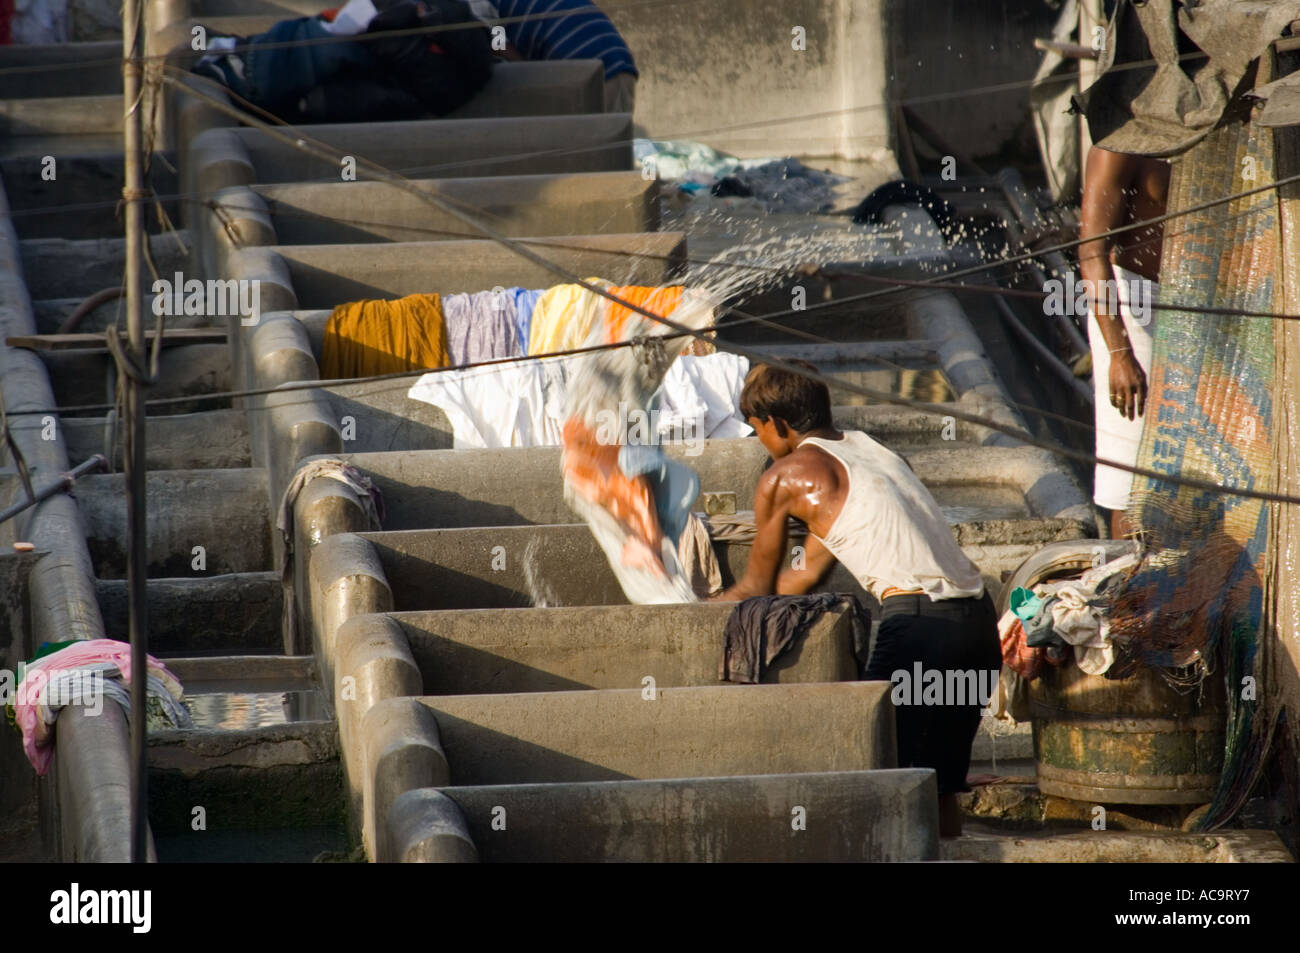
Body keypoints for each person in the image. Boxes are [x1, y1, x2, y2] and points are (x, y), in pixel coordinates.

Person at [712, 361, 1000, 837]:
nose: (758, 439)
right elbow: (802, 578)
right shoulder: (874, 453)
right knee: (939, 786)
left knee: (878, 774)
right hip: (976, 625)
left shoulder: (786, 477)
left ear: (778, 425)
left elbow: (755, 590)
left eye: (756, 427)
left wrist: (691, 604)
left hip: (920, 629)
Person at [1079, 144, 1170, 539]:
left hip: (1204, 301)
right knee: (1131, 475)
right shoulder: (1121, 144)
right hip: (1136, 307)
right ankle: (1130, 592)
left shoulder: (1217, 123)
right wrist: (1120, 354)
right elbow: (1091, 253)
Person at [474, 0, 637, 114]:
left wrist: (530, 79)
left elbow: (499, 45)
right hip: (619, 59)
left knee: (582, 155)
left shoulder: (474, 3)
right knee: (613, 154)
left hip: (583, 70)